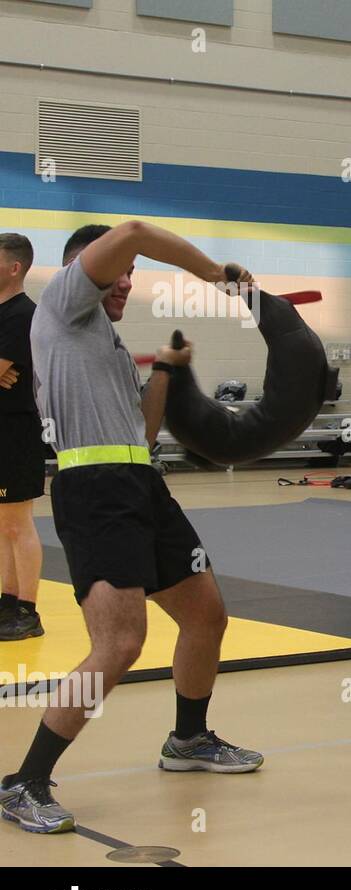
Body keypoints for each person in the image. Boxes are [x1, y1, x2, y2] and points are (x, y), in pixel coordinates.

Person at [0, 221, 263, 835]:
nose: (126, 283)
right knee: (119, 644)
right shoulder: (66, 303)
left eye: (131, 277)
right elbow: (138, 231)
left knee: (206, 615)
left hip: (140, 484)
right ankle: (25, 781)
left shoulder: (104, 343)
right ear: (83, 271)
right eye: (118, 274)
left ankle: (189, 739)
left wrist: (166, 372)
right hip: (95, 493)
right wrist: (214, 275)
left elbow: (142, 437)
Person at [0, 233, 45, 641]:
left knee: (17, 522)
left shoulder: (22, 313)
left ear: (14, 267)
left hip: (14, 429)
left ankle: (28, 611)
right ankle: (7, 600)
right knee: (1, 525)